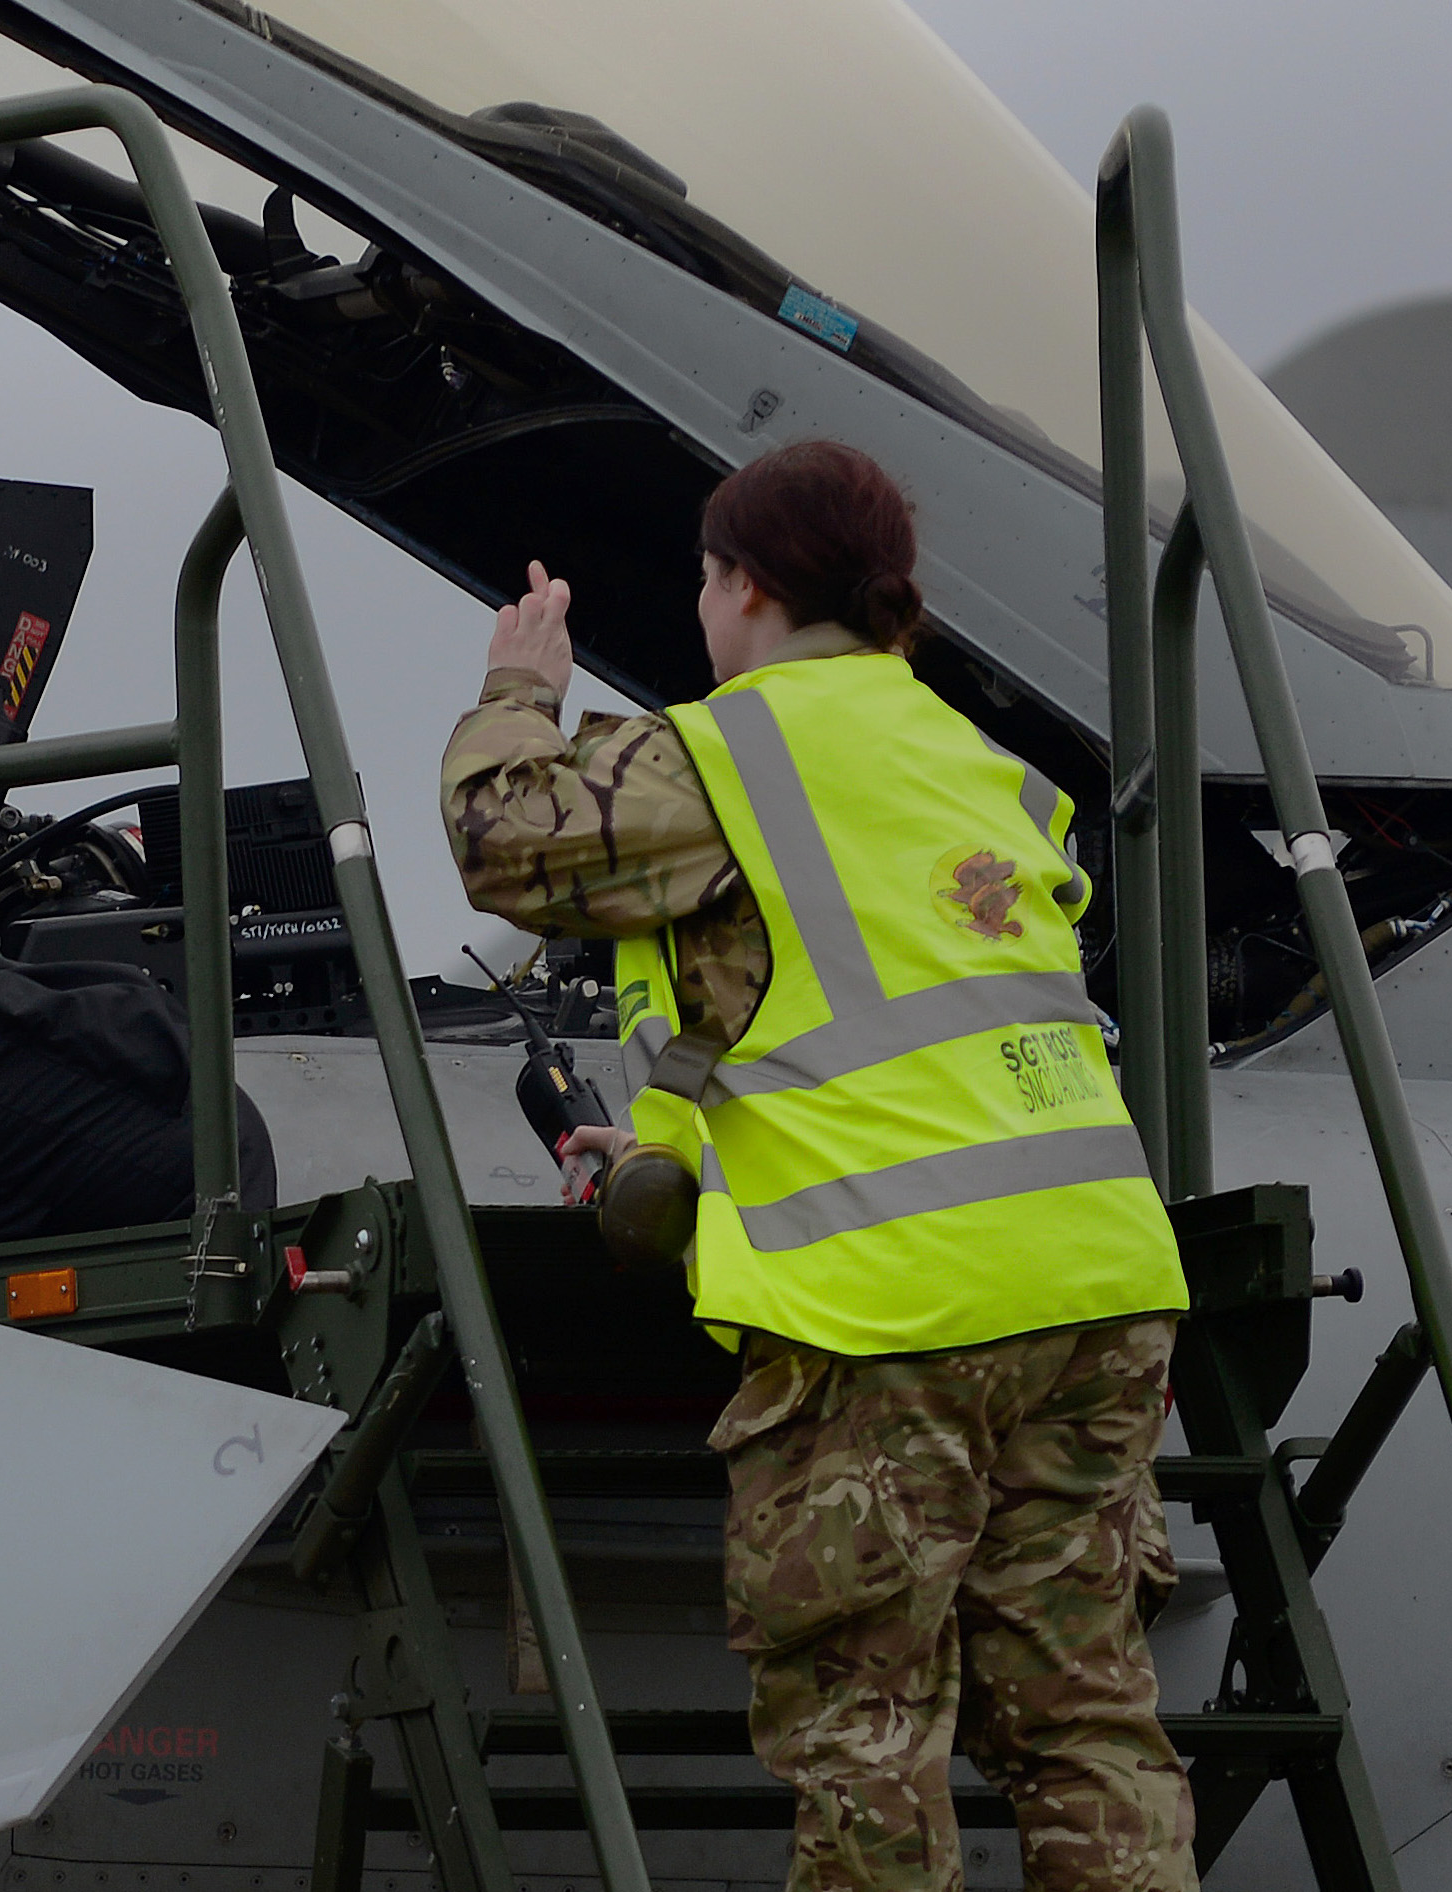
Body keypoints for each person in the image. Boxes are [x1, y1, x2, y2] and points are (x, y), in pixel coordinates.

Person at [439, 440, 1198, 1891]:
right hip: (1100, 1287)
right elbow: (854, 1018)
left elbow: (504, 843)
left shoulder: (725, 753)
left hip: (894, 1306)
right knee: (1086, 1718)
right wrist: (671, 1140)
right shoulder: (985, 769)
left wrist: (518, 687)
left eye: (704, 578)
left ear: (746, 586)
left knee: (863, 1727)